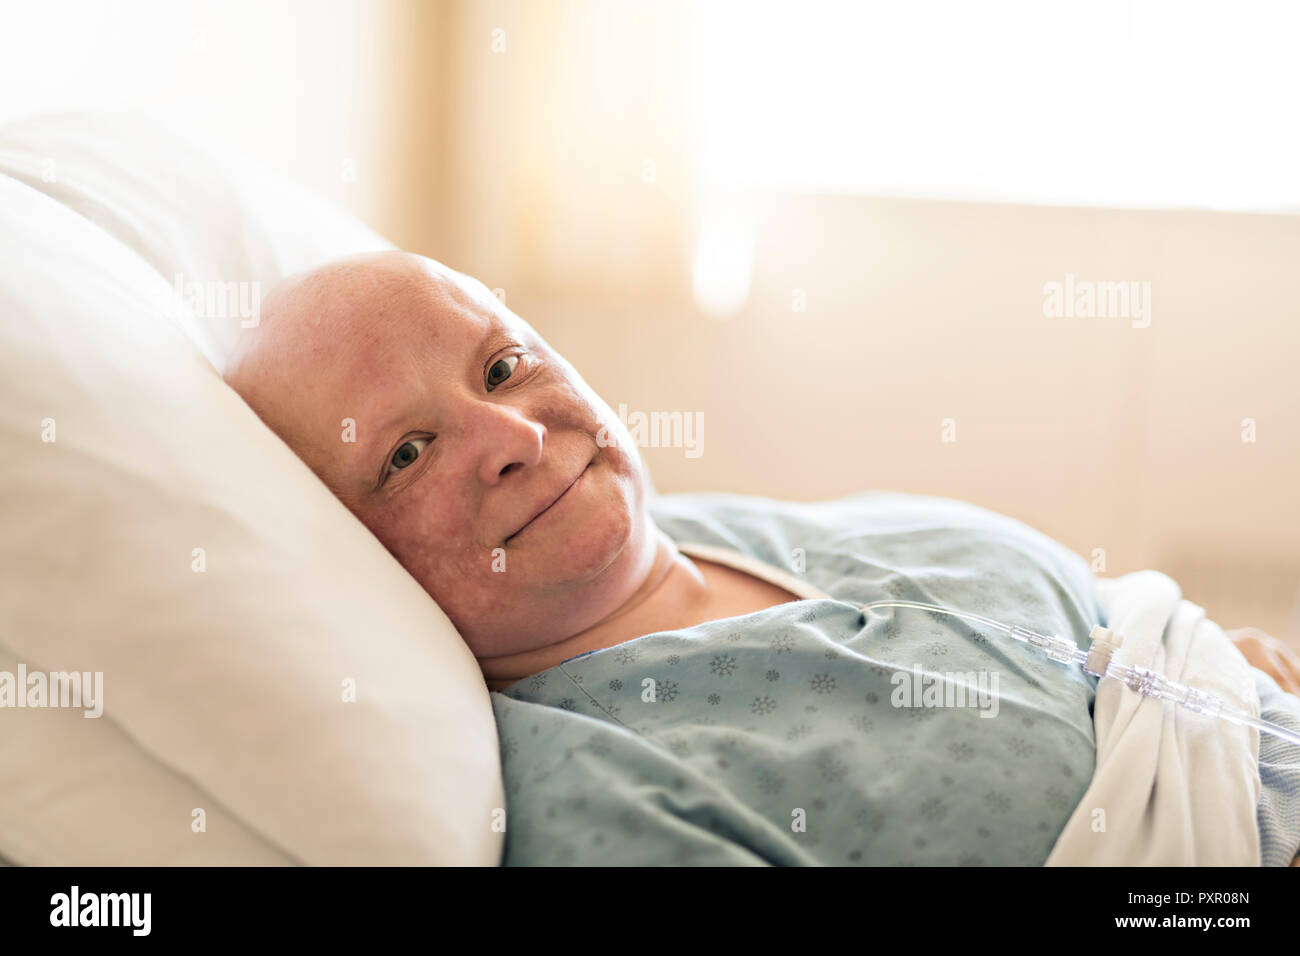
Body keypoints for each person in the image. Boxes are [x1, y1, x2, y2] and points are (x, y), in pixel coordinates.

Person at [224, 250, 1300, 866]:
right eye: (407, 452)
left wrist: (1203, 674)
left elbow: (1097, 634)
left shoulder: (725, 527)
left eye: (502, 365)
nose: (510, 436)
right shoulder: (596, 792)